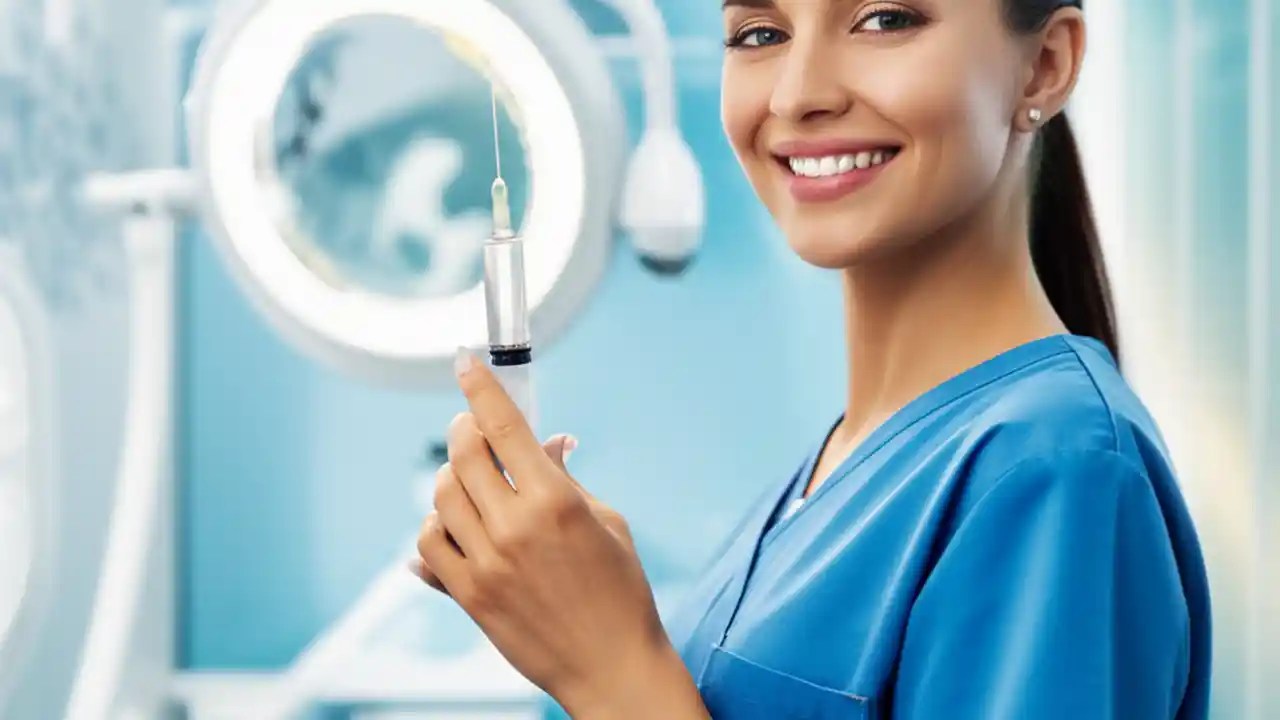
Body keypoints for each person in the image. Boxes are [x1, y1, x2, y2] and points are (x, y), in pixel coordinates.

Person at [408, 0, 1213, 717]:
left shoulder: (1056, 470)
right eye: (760, 33)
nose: (797, 94)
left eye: (884, 19)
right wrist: (576, 603)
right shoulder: (843, 465)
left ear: (1046, 64)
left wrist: (611, 670)